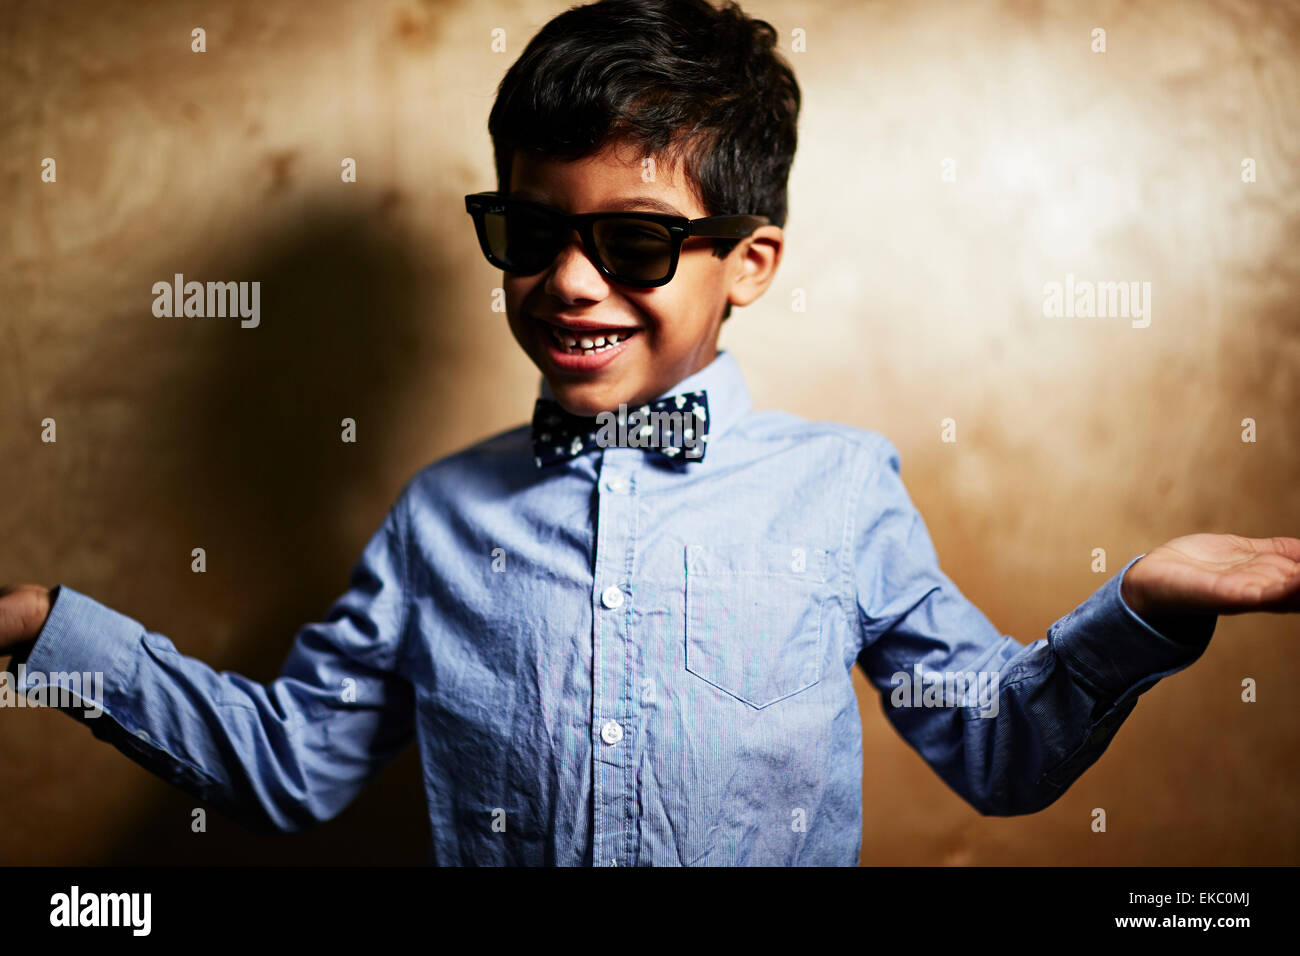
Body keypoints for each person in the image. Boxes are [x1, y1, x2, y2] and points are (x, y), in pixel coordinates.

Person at [2, 0, 1297, 866]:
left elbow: (1001, 749)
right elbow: (292, 767)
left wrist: (1140, 607)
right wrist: (45, 627)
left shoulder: (839, 495)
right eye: (531, 232)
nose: (571, 282)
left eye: (632, 242)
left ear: (749, 262)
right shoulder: (439, 521)